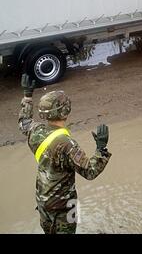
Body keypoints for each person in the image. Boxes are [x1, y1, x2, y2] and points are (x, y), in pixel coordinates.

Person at [18, 74, 112, 234]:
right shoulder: (67, 144)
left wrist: (27, 96)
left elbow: (23, 121)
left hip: (42, 200)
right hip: (65, 205)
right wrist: (101, 149)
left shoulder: (35, 130)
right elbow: (90, 172)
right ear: (65, 112)